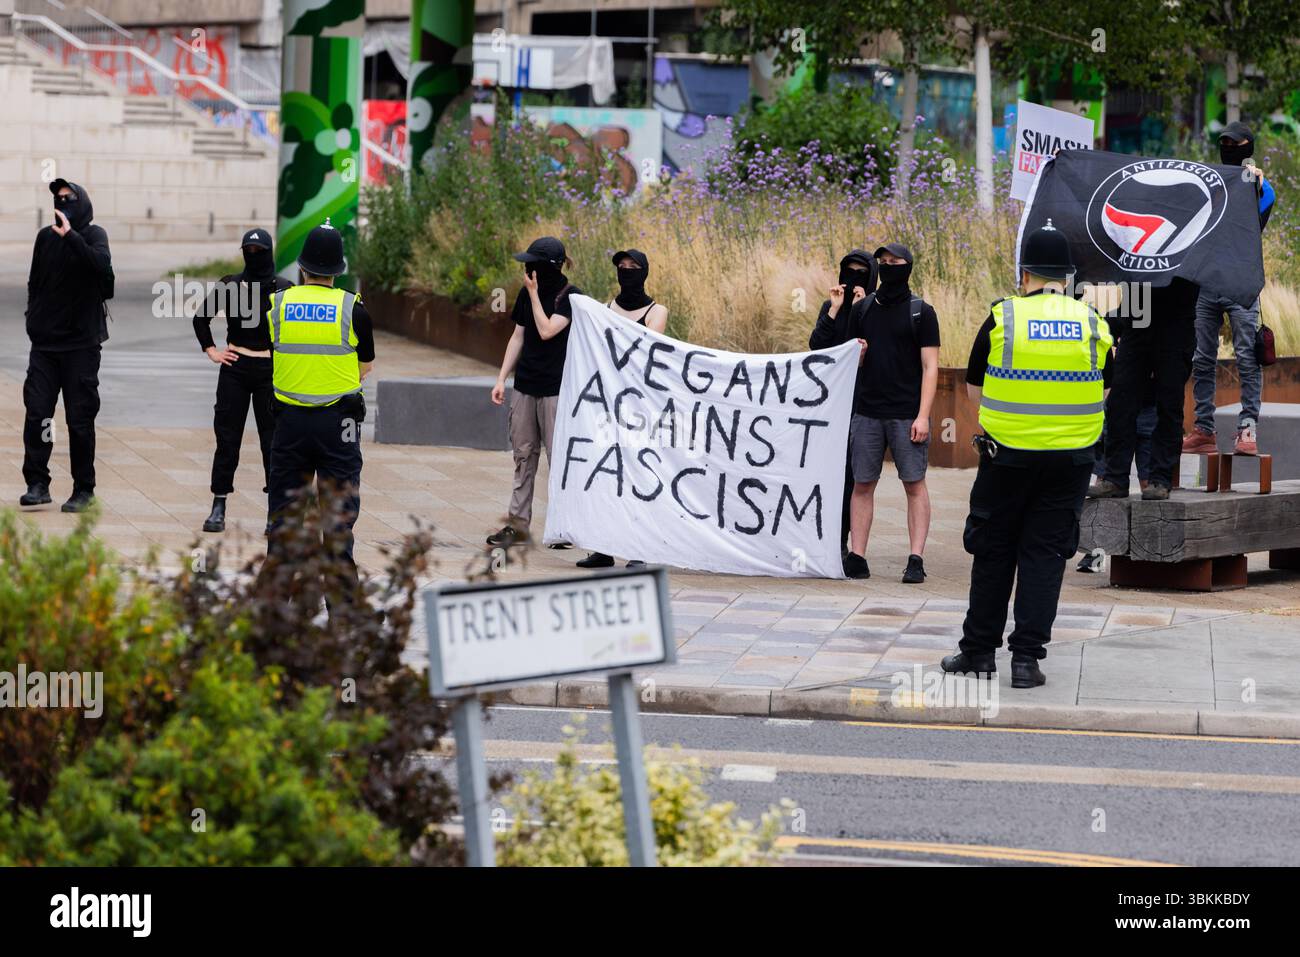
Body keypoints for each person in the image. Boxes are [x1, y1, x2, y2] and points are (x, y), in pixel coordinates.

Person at [942, 223, 1113, 688]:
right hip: (1070, 463)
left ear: (1025, 274)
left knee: (993, 551)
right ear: (1067, 275)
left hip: (1006, 458)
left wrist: (1006, 422)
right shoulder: (1093, 323)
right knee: (1044, 555)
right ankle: (1025, 662)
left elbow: (974, 386)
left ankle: (978, 652)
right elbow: (1106, 388)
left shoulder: (1003, 318)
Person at [265, 219, 374, 585]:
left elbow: (276, 352)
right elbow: (365, 367)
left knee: (284, 519)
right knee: (338, 522)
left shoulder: (277, 305)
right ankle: (344, 617)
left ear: (302, 267)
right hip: (338, 427)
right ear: (338, 271)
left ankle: (273, 613)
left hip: (289, 425)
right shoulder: (353, 309)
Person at [841, 244, 939, 584]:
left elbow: (930, 367)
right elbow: (850, 362)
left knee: (914, 484)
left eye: (894, 262)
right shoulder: (863, 309)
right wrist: (861, 354)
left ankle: (916, 558)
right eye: (882, 262)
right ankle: (858, 555)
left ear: (908, 266)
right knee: (862, 484)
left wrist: (923, 415)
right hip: (867, 412)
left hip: (905, 414)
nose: (887, 267)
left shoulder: (921, 312)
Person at [1183, 121, 1277, 457]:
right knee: (1202, 358)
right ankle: (1203, 430)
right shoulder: (1210, 185)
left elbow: (1259, 217)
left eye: (1234, 143)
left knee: (1248, 359)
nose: (1227, 147)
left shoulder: (1260, 188)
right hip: (1208, 282)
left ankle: (1247, 429)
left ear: (1248, 147)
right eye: (1223, 141)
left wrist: (1256, 185)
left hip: (1240, 283)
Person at [19, 179, 113, 513]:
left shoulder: (93, 235)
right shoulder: (44, 238)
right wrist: (34, 318)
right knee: (39, 414)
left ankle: (83, 489)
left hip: (81, 347)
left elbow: (102, 268)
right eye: (58, 199)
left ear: (82, 202)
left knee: (79, 420)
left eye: (69, 198)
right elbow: (34, 281)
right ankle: (37, 483)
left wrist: (71, 236)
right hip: (45, 346)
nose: (62, 203)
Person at [193, 228, 292, 534]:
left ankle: (275, 513)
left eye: (257, 250)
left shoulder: (284, 289)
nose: (252, 255)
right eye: (247, 250)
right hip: (234, 367)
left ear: (269, 252)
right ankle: (218, 505)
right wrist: (212, 351)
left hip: (269, 372)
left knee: (272, 442)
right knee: (227, 438)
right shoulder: (231, 284)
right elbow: (201, 318)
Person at [573, 248, 667, 570]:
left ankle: (638, 548)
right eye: (621, 266)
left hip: (638, 405)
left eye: (632, 266)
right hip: (606, 404)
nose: (625, 271)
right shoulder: (606, 307)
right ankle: (603, 547)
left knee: (637, 475)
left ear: (644, 271)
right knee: (605, 475)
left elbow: (645, 351)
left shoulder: (657, 311)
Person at [487, 237, 582, 549]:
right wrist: (502, 378)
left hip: (557, 391)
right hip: (525, 387)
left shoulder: (571, 296)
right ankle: (517, 526)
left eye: (532, 263)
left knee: (559, 461)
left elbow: (546, 329)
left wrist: (533, 294)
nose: (527, 269)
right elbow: (519, 336)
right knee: (523, 457)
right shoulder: (527, 295)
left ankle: (563, 528)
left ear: (548, 267)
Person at [1086, 277, 1198, 501]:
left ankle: (1160, 479)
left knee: (1168, 404)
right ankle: (1115, 478)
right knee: (1120, 401)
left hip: (1176, 317)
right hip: (1136, 313)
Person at [808, 249, 878, 555]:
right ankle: (821, 535)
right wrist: (836, 309)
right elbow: (817, 346)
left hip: (861, 402)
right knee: (824, 470)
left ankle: (842, 540)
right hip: (828, 403)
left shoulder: (876, 308)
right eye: (848, 270)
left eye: (860, 272)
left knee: (852, 475)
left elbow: (865, 349)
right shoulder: (830, 305)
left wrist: (861, 309)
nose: (853, 278)